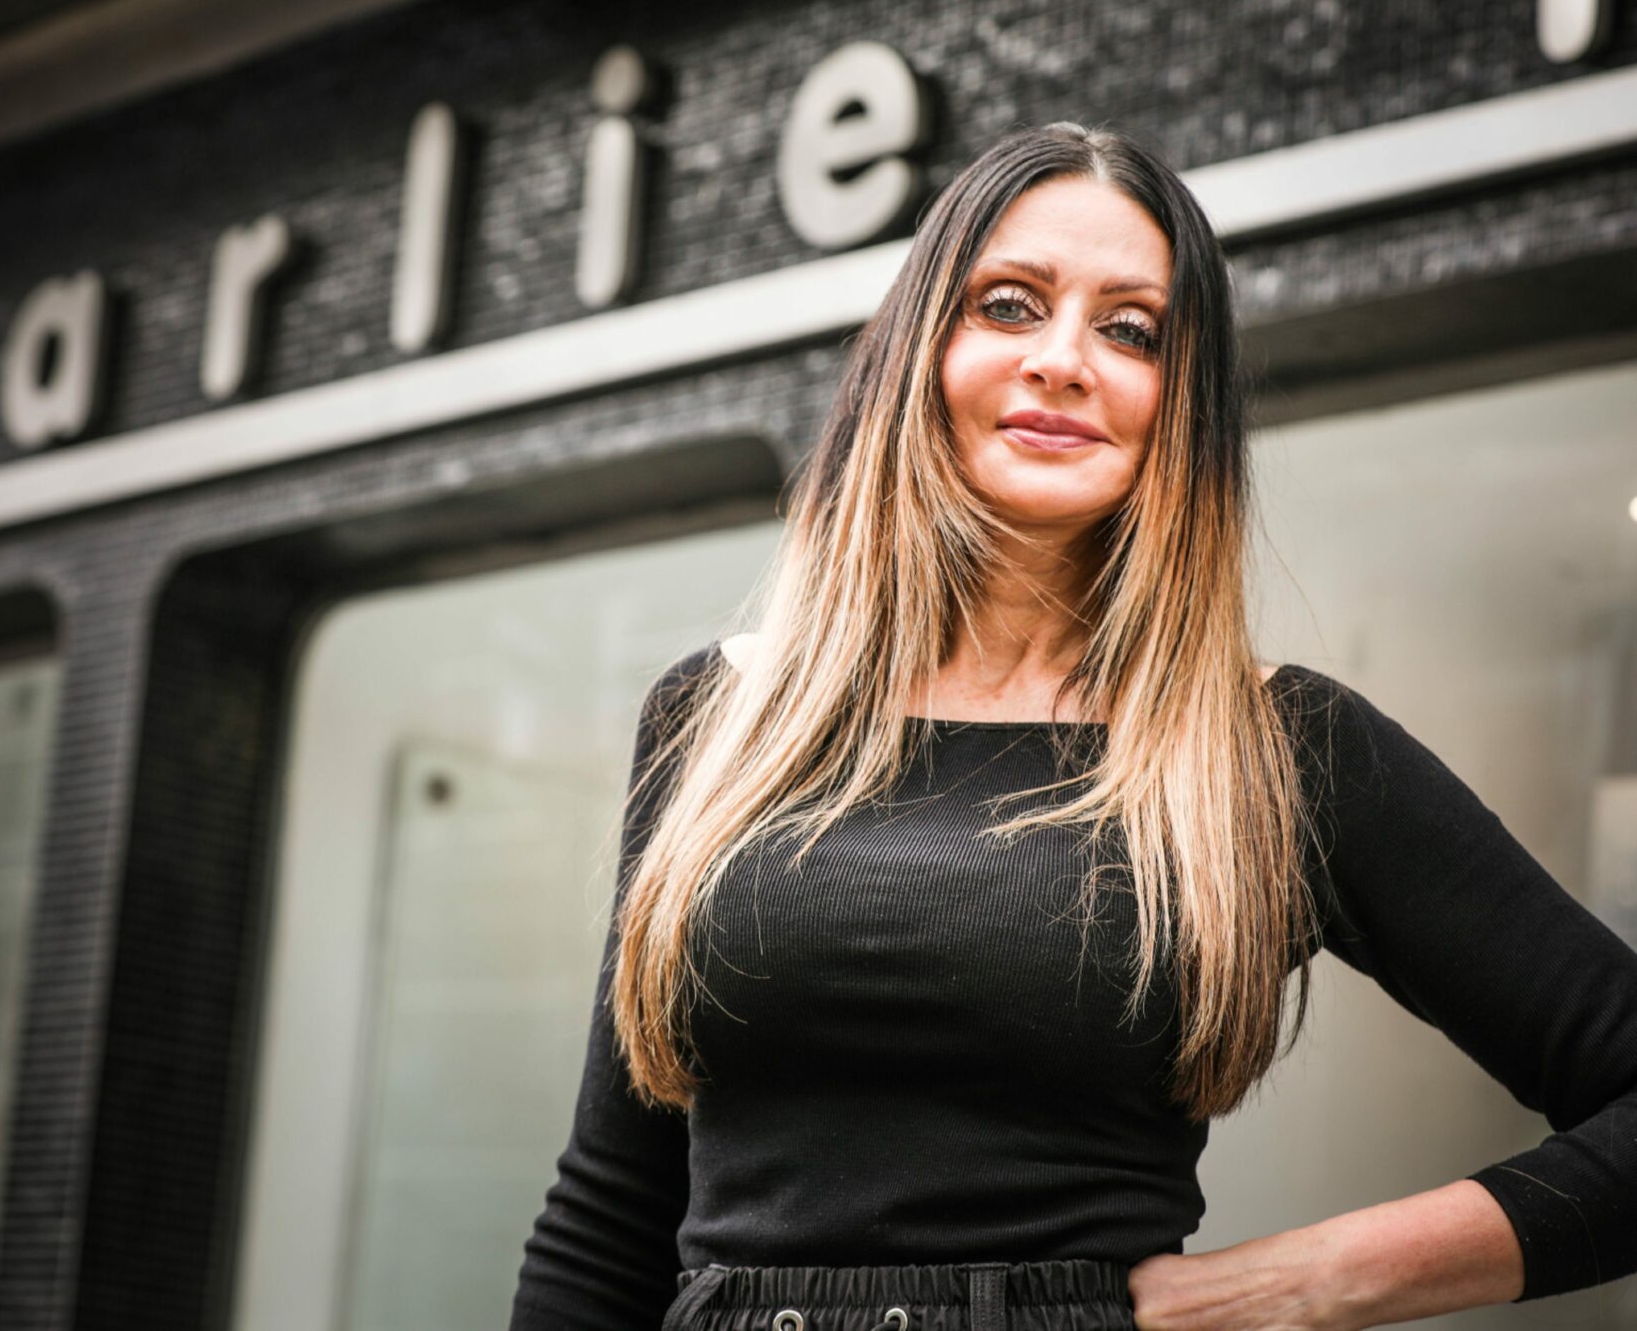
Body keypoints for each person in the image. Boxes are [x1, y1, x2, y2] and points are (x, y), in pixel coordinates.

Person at [507, 121, 1637, 1331]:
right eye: (1007, 304)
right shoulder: (718, 714)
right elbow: (613, 1202)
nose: (1062, 360)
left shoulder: (1270, 746)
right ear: (917, 353)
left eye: (1129, 329)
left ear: (1179, 404)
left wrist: (1306, 1282)